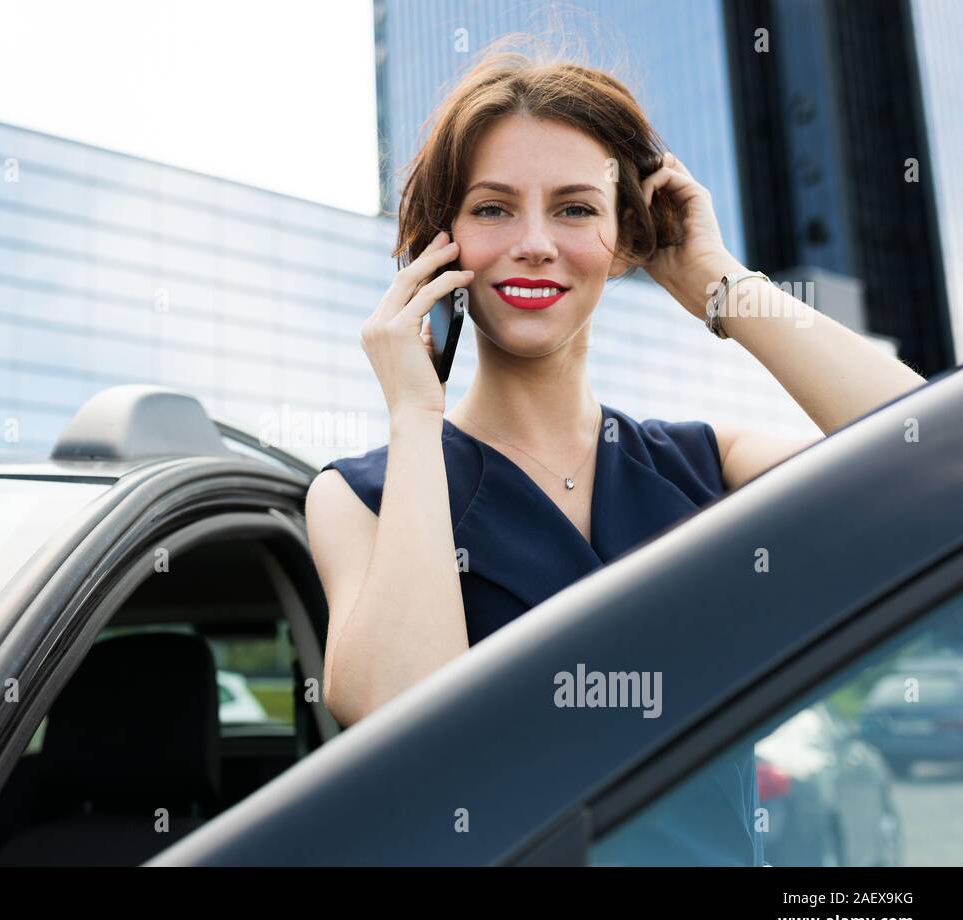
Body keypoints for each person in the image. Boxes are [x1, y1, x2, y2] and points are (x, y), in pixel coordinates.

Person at [304, 39, 927, 864]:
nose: (534, 242)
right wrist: (416, 411)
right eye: (492, 209)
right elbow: (404, 716)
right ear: (438, 244)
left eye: (575, 208)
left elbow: (933, 459)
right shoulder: (363, 496)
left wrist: (718, 280)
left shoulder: (710, 468)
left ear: (629, 240)